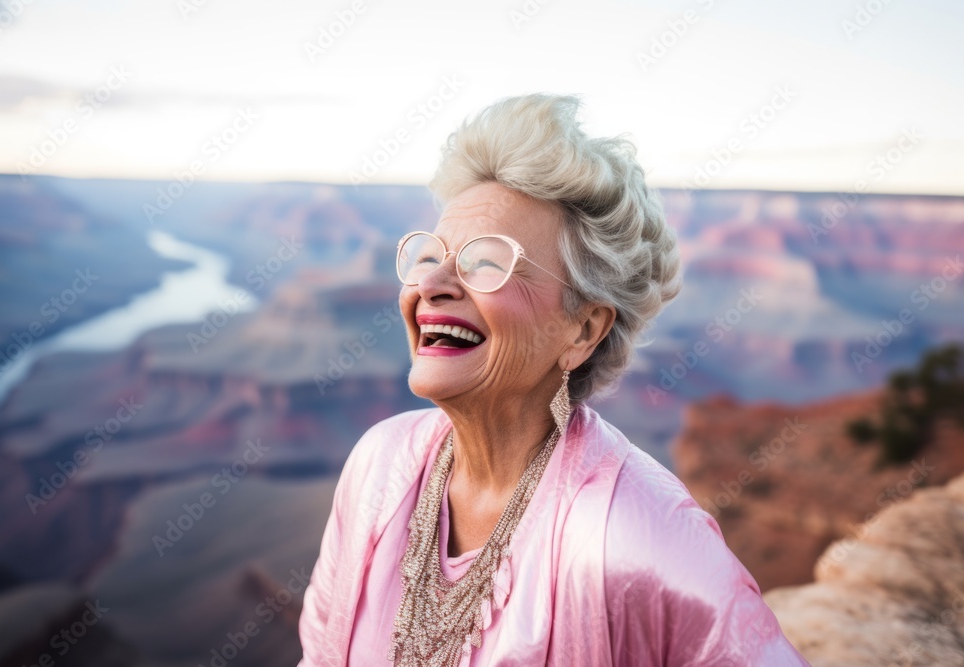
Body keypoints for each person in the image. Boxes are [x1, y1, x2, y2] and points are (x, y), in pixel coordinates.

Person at [297, 93, 809, 666]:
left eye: (486, 262)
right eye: (429, 254)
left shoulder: (637, 537)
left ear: (583, 330)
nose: (434, 283)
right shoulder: (379, 466)